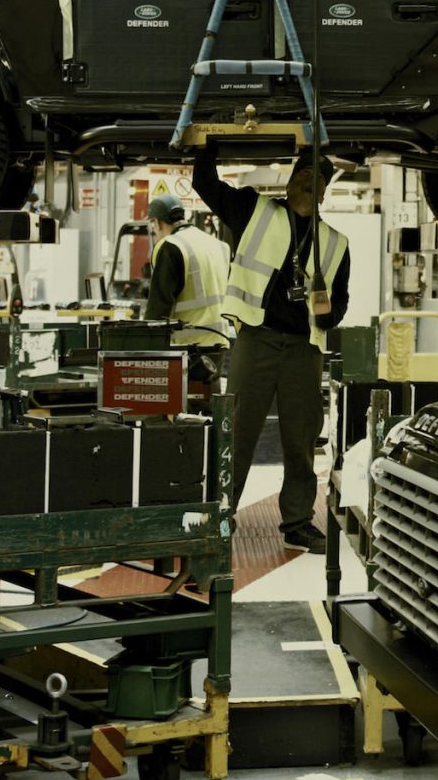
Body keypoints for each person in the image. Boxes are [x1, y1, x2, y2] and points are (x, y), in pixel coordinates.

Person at [191, 143, 351, 553]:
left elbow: (341, 301)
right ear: (291, 177)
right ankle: (221, 515)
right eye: (303, 174)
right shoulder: (254, 210)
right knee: (238, 431)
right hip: (256, 339)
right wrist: (210, 144)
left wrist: (328, 313)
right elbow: (204, 184)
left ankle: (298, 521)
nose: (309, 184)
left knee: (301, 437)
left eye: (318, 180)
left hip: (304, 348)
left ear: (324, 190)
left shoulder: (335, 242)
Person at [141, 193, 231, 360]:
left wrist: (146, 344)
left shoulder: (171, 246)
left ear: (157, 223)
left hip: (187, 347)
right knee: (211, 386)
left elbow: (159, 307)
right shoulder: (219, 245)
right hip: (219, 341)